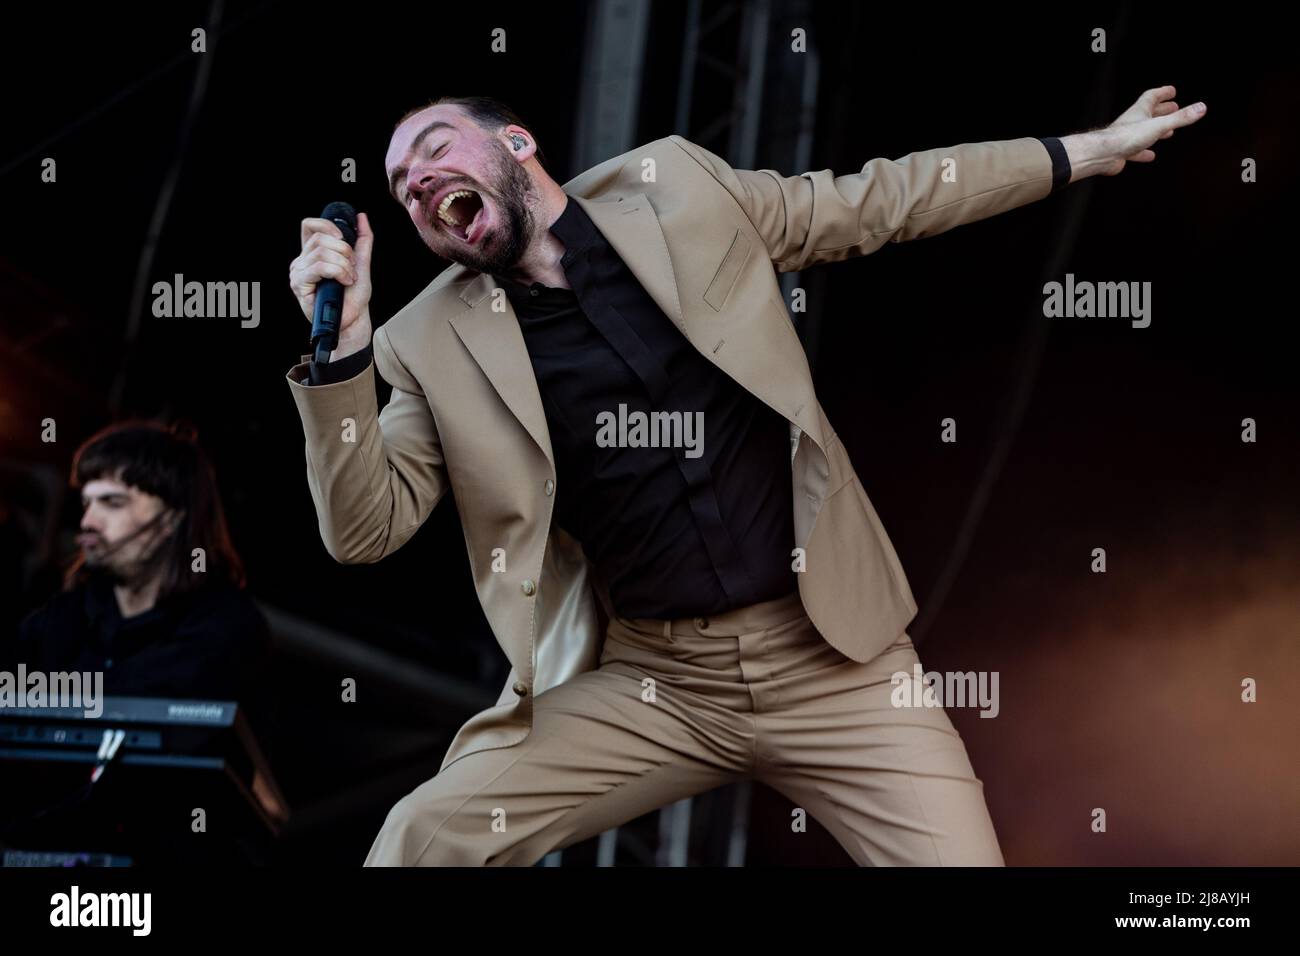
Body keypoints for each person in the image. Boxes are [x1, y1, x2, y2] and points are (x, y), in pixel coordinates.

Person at [285, 89, 1206, 865]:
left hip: (835, 663)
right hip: (655, 683)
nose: (418, 185)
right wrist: (346, 357)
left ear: (515, 144)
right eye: (403, 191)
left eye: (435, 152)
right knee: (423, 837)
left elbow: (882, 199)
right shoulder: (423, 339)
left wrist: (1080, 151)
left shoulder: (679, 189)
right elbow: (364, 530)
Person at [5, 422, 272, 736]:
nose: (87, 521)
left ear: (171, 517)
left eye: (113, 503)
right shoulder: (59, 621)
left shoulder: (225, 629)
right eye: (87, 503)